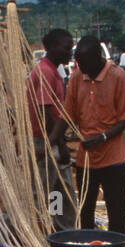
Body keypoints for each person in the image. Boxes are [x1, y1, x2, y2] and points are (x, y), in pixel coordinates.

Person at [64, 35, 125, 236]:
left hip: (112, 160)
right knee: (85, 211)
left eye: (84, 62)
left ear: (97, 57)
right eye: (78, 62)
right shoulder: (77, 76)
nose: (81, 67)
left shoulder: (118, 76)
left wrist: (102, 138)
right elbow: (67, 113)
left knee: (117, 213)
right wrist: (52, 139)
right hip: (85, 161)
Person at [27, 28, 77, 221]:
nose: (70, 52)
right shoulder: (46, 72)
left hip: (49, 140)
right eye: (67, 48)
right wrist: (59, 145)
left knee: (56, 189)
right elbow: (44, 112)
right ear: (53, 47)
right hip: (46, 141)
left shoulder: (51, 71)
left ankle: (56, 227)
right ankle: (52, 231)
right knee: (51, 190)